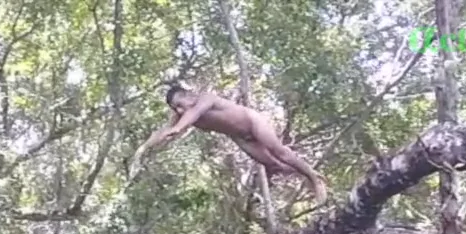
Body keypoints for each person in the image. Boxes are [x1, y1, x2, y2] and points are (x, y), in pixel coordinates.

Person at [129, 83, 327, 203]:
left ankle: (315, 179)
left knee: (279, 151)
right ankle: (307, 174)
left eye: (180, 105)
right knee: (273, 165)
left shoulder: (204, 99)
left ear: (189, 95)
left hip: (252, 122)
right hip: (240, 137)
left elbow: (190, 117)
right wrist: (143, 149)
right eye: (175, 109)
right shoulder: (183, 116)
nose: (179, 111)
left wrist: (177, 129)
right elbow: (164, 130)